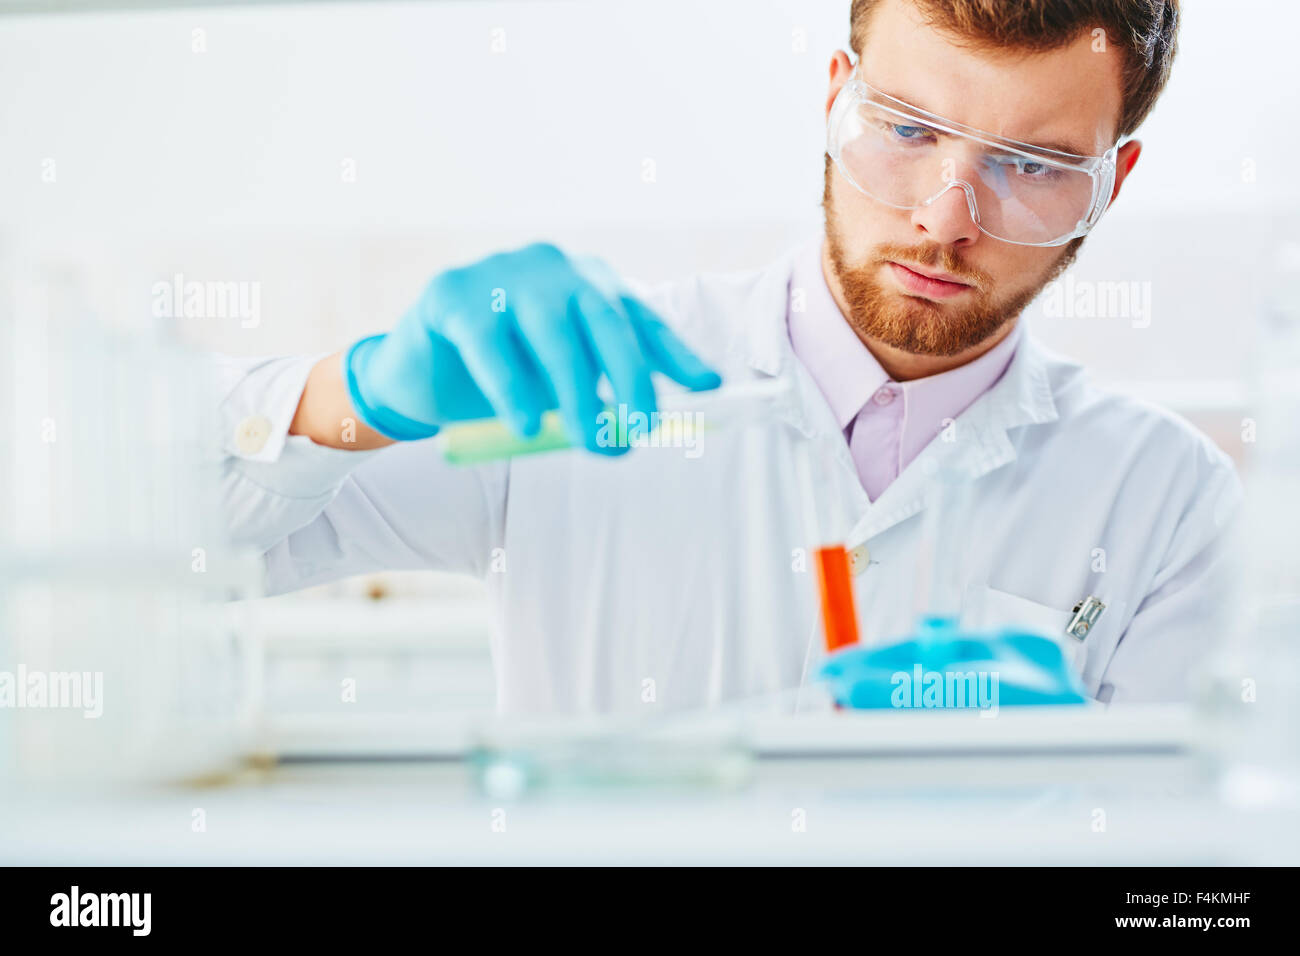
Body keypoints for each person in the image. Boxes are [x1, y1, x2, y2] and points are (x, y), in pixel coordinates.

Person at [215, 0, 1239, 712]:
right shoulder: (582, 387)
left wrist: (1068, 798)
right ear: (838, 97)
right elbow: (181, 548)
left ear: (1114, 179)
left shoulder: (1161, 495)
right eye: (906, 131)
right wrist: (346, 399)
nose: (944, 219)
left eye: (1031, 164)